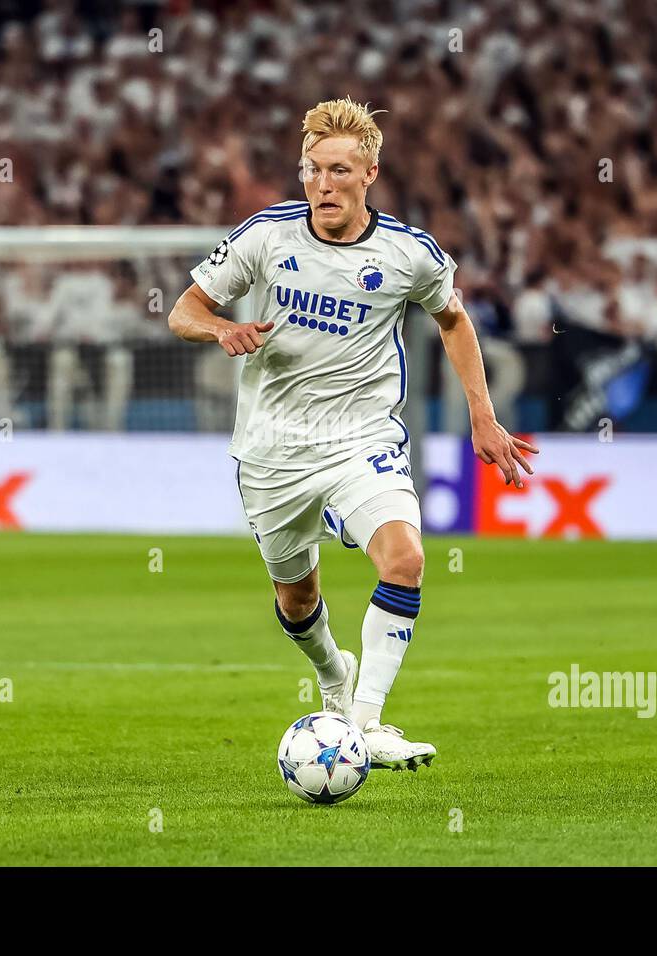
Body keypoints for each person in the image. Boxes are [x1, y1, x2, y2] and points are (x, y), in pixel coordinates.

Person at [167, 97, 538, 770]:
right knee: (297, 597)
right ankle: (334, 678)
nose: (322, 183)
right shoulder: (267, 236)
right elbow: (184, 309)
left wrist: (483, 415)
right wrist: (222, 328)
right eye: (312, 169)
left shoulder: (408, 252)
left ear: (370, 172)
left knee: (406, 560)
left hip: (360, 438)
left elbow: (452, 318)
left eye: (339, 169)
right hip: (273, 447)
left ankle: (364, 726)